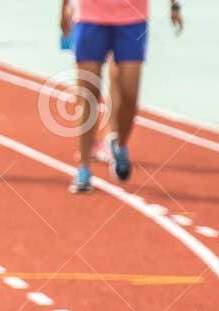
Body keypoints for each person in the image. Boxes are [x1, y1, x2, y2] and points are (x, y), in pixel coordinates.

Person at [61, 0, 184, 192]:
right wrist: (64, 8)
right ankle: (84, 169)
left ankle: (120, 146)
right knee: (89, 93)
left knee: (129, 95)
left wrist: (174, 6)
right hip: (89, 15)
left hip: (132, 19)